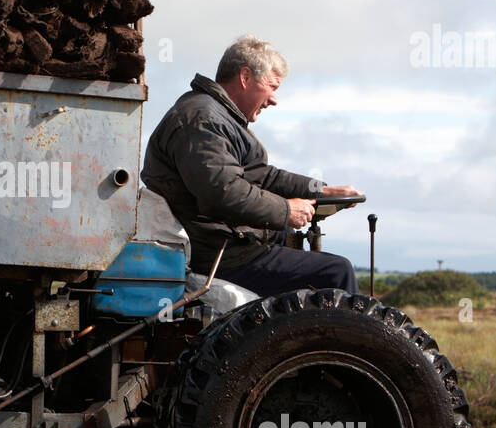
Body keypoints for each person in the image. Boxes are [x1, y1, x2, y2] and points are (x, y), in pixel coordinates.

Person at [141, 35, 361, 297]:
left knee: (289, 236)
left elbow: (261, 176)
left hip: (227, 243)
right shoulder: (203, 120)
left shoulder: (220, 118)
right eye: (272, 87)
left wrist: (320, 191)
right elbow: (222, 193)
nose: (274, 99)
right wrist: (285, 209)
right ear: (245, 77)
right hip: (219, 255)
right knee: (337, 271)